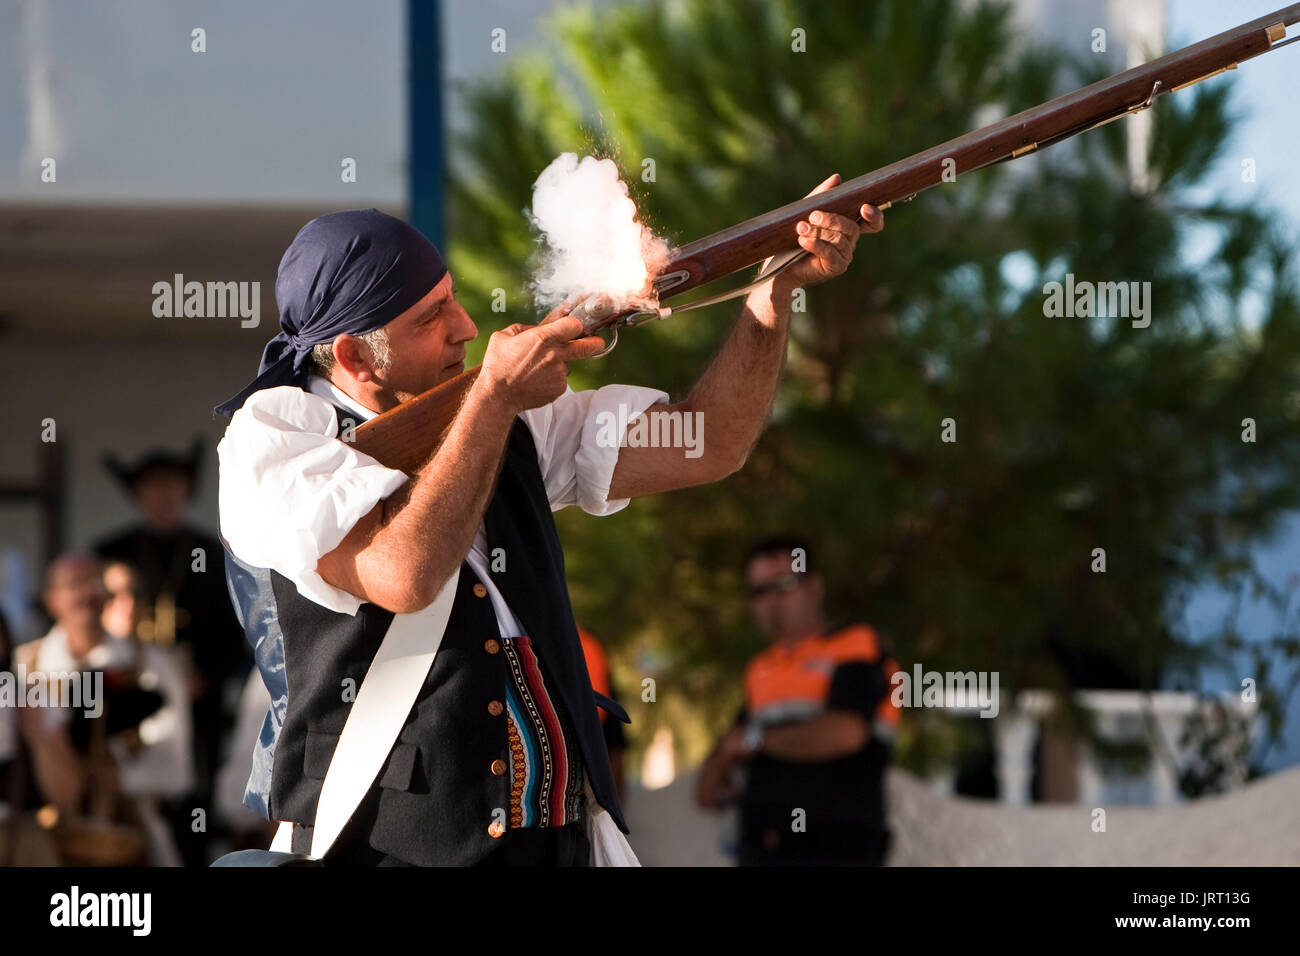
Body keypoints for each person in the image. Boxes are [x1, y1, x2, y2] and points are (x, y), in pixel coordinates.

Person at [214, 185, 882, 866]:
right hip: (392, 850)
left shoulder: (501, 416)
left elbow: (711, 441)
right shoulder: (276, 437)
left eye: (452, 298)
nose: (467, 327)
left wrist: (771, 294)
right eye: (432, 316)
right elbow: (404, 575)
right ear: (356, 358)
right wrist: (495, 399)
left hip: (556, 843)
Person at [695, 536, 901, 866]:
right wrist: (722, 762)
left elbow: (844, 733)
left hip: (838, 851)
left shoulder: (855, 645)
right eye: (759, 591)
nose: (772, 601)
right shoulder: (761, 669)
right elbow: (712, 780)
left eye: (784, 584)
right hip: (761, 851)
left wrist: (755, 740)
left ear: (814, 587)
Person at [94, 441, 250, 864]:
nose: (163, 496)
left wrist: (204, 676)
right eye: (152, 488)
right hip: (129, 692)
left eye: (172, 487)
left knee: (197, 784)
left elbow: (237, 628)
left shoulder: (213, 552)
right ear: (138, 495)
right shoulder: (111, 552)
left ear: (186, 492)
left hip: (198, 690)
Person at [15, 554, 194, 865]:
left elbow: (178, 771)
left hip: (130, 840)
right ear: (51, 600)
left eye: (95, 583)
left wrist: (120, 779)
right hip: (41, 842)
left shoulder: (152, 664)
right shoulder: (22, 669)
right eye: (74, 585)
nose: (87, 594)